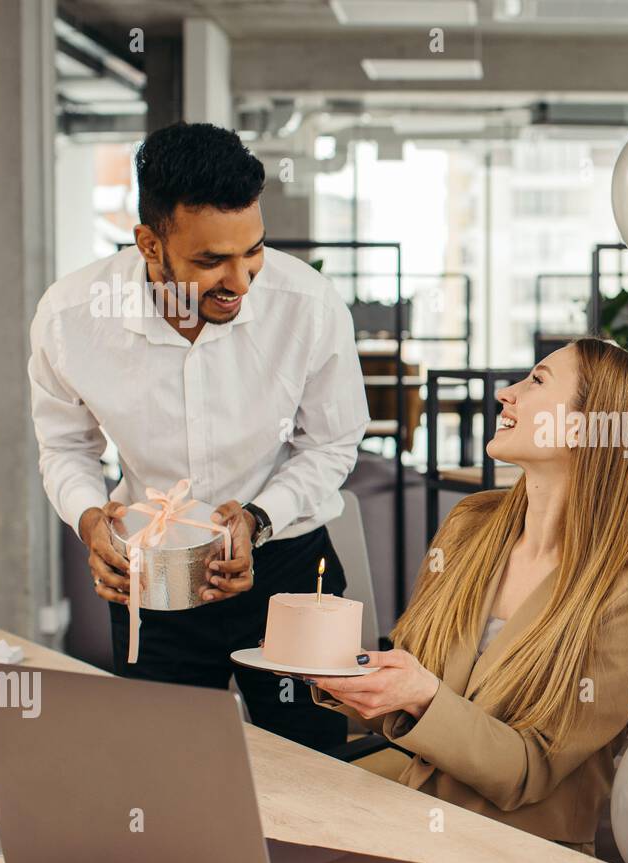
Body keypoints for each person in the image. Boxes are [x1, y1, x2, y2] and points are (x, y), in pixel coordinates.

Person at [27, 122, 370, 751]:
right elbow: (65, 446)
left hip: (287, 573)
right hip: (153, 580)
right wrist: (88, 519)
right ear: (149, 245)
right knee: (163, 770)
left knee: (314, 770)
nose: (240, 281)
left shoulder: (310, 306)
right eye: (211, 260)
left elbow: (330, 443)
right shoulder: (71, 318)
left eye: (253, 251)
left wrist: (258, 520)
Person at [313, 339, 628, 855]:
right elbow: (412, 694)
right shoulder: (473, 526)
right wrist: (344, 675)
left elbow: (529, 772)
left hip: (516, 846)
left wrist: (418, 697)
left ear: (587, 424)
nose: (506, 395)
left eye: (536, 381)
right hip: (409, 806)